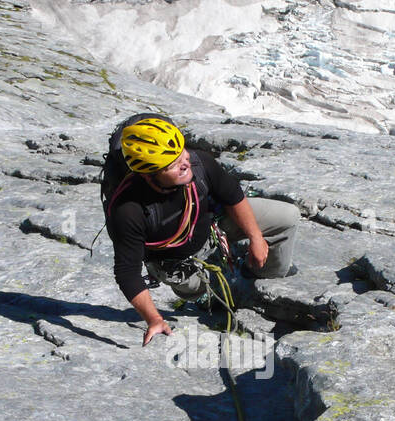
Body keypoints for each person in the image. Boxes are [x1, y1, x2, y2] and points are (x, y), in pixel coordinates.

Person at [102, 113, 300, 345]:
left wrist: (256, 238)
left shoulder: (199, 163)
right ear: (148, 175)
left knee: (288, 216)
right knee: (197, 292)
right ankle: (205, 294)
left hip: (209, 226)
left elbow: (232, 196)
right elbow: (127, 273)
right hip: (174, 260)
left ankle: (261, 276)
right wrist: (154, 319)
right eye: (173, 165)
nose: (185, 163)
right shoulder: (128, 211)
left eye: (182, 153)